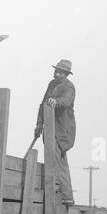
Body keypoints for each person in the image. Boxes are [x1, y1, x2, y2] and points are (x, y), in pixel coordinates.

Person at [35, 58, 75, 204]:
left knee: (57, 160)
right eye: (57, 71)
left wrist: (56, 101)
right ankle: (66, 195)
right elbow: (43, 104)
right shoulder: (51, 84)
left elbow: (66, 101)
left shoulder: (69, 87)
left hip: (63, 130)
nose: (57, 74)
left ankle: (63, 193)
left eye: (61, 72)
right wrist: (39, 125)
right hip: (50, 127)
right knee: (57, 160)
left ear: (66, 75)